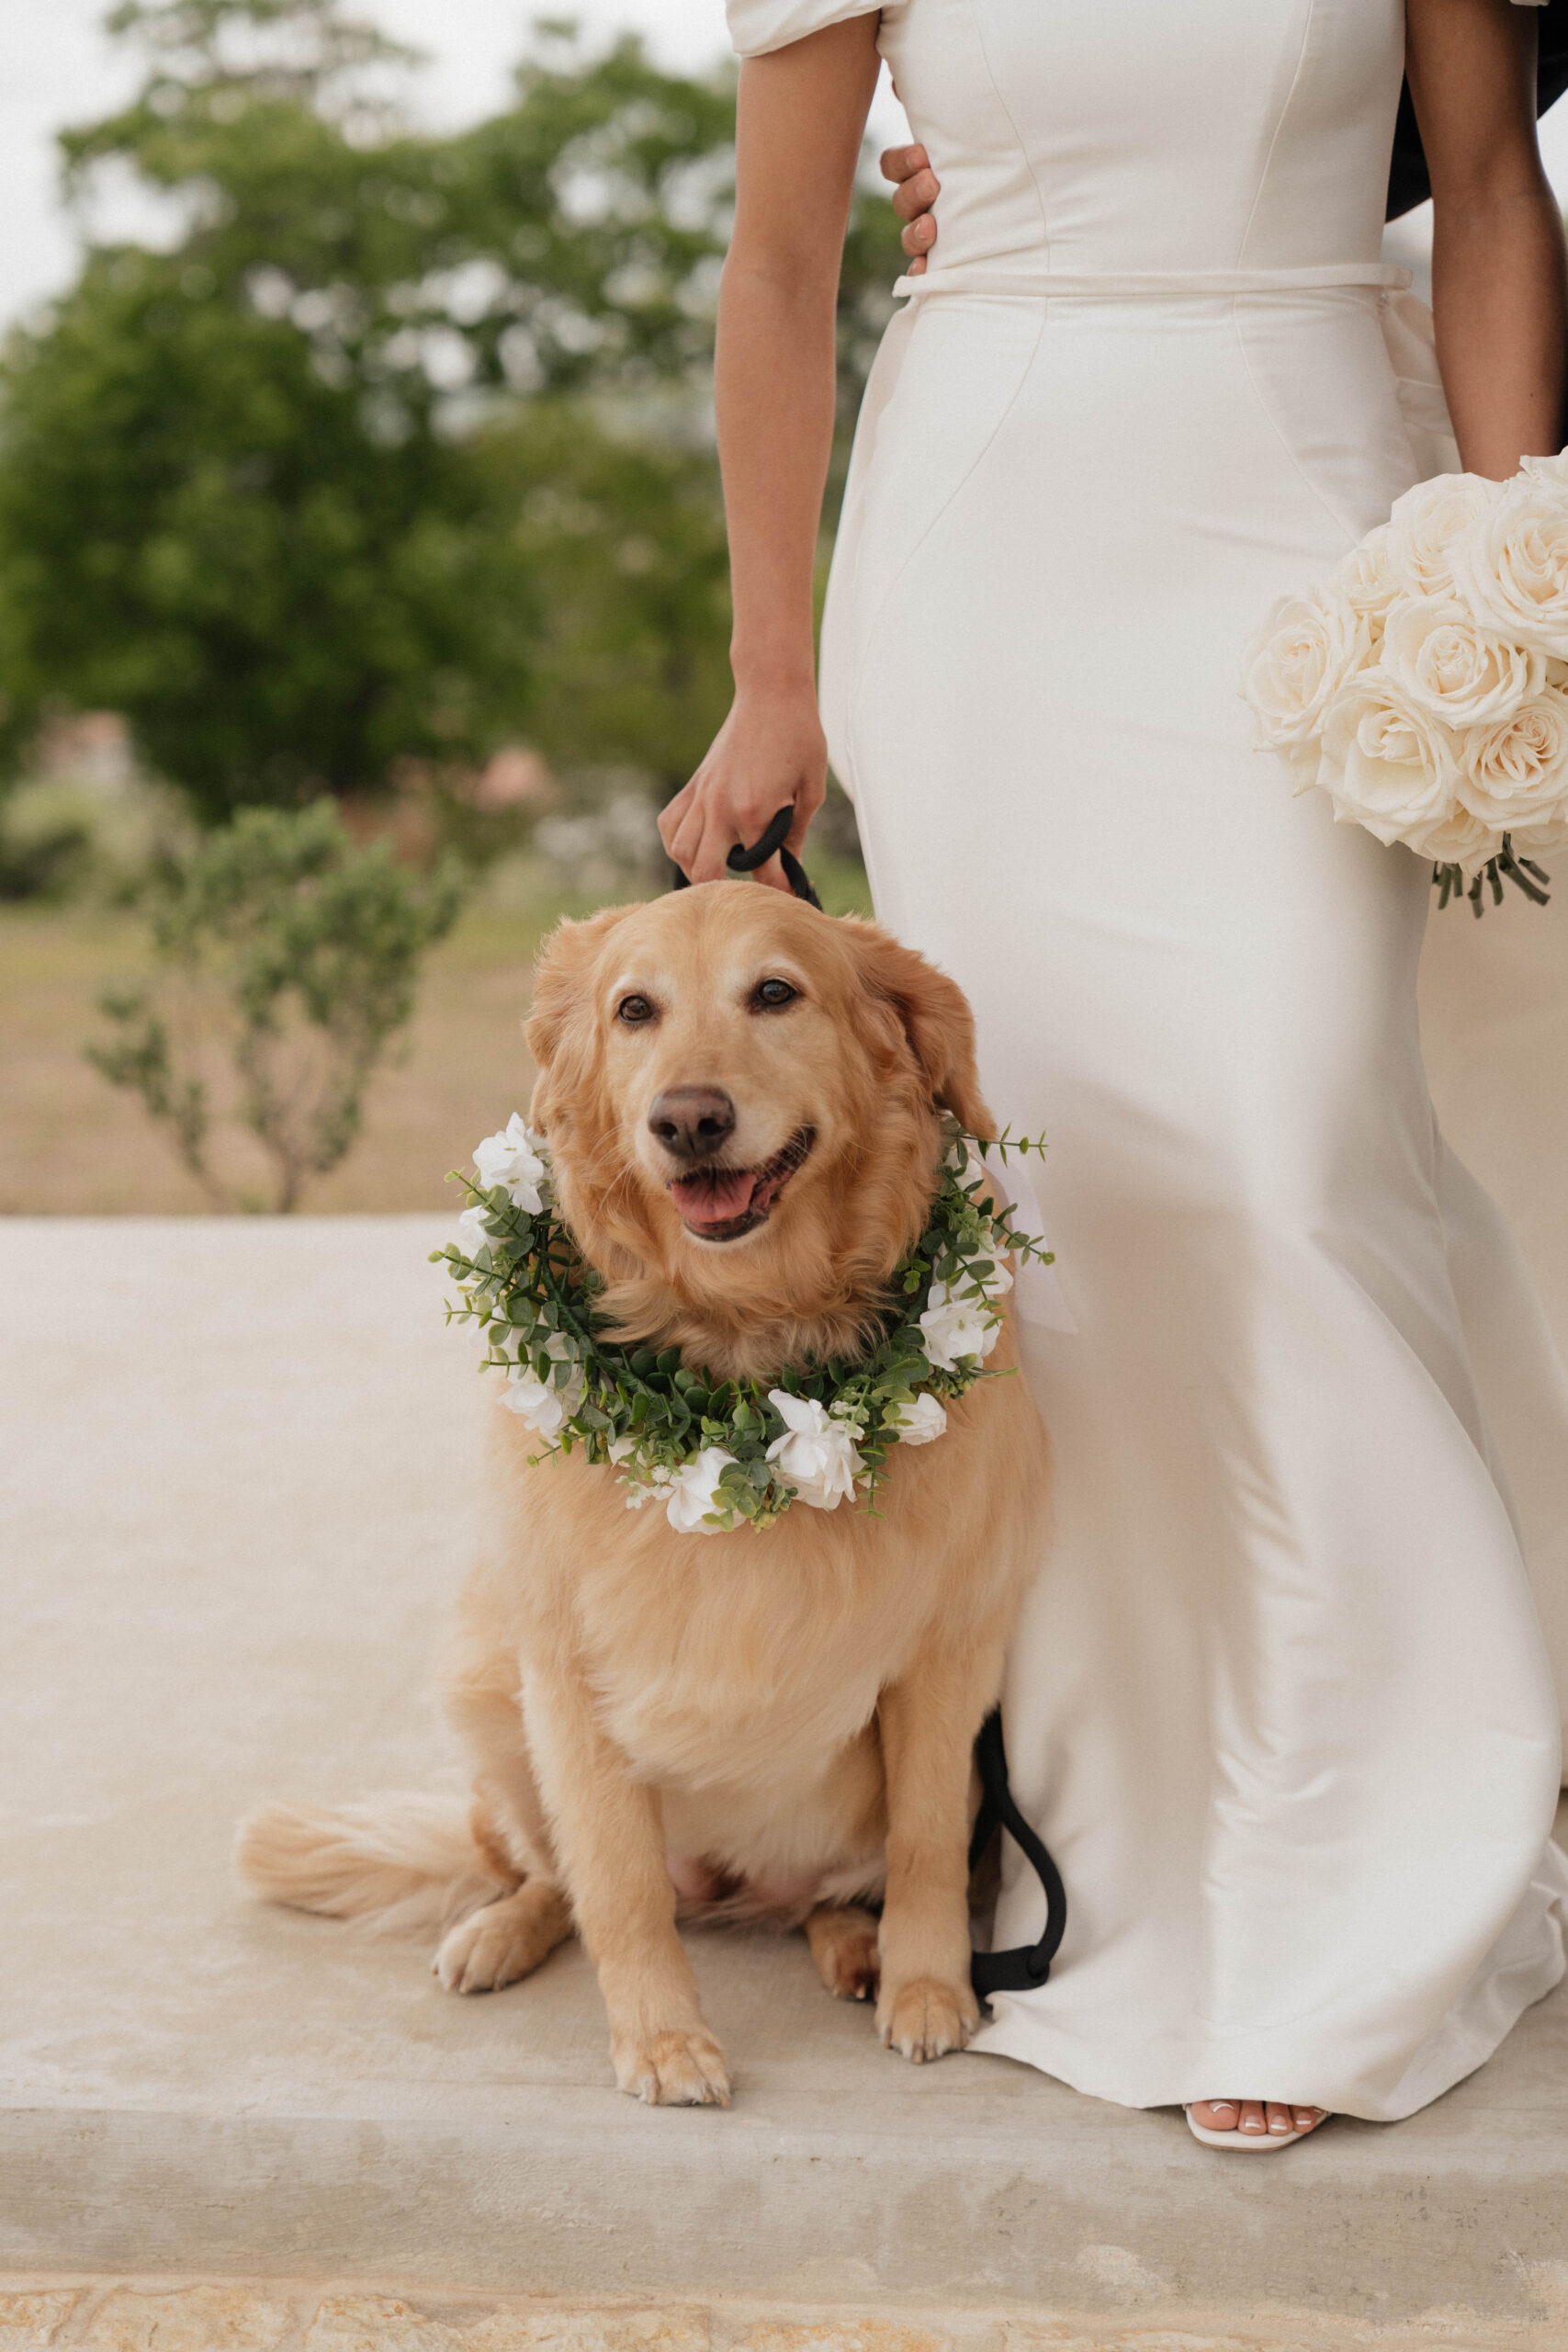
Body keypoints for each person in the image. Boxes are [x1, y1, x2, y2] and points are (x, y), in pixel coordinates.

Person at [659, 0, 1568, 2149]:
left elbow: (1486, 183)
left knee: (1283, 1156)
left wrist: (1511, 549)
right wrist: (768, 673)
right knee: (1064, 1203)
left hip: (1307, 488)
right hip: (987, 537)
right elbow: (780, 261)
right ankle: (1090, 1833)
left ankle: (1361, 1848)